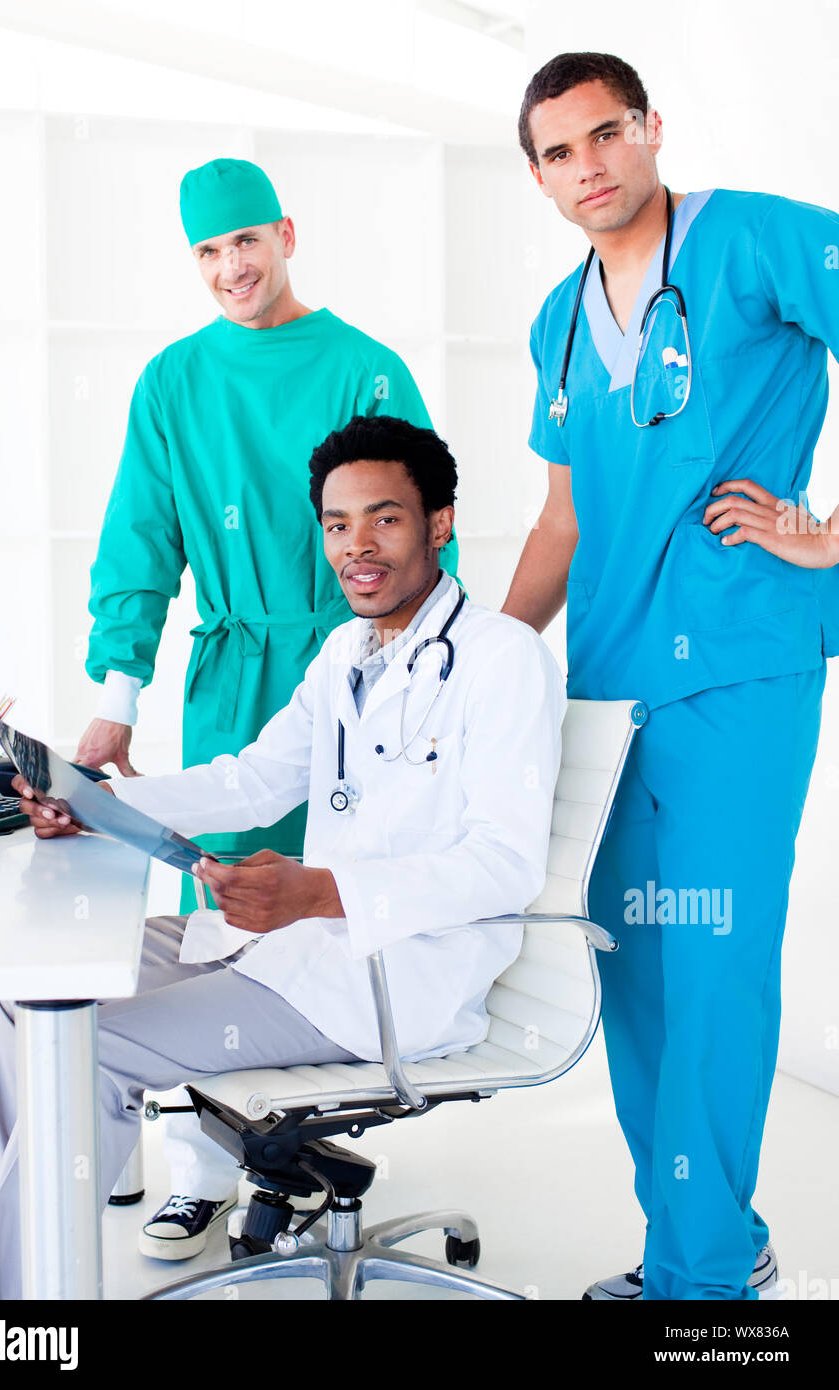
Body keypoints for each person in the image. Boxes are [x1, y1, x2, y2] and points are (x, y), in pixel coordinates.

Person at [0, 414, 564, 1301]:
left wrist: (320, 893)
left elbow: (504, 865)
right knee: (23, 999)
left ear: (440, 524)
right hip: (288, 950)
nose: (357, 546)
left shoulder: (501, 660)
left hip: (389, 983)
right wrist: (96, 803)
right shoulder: (347, 650)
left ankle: (16, 1315)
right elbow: (251, 783)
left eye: (385, 519)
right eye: (337, 524)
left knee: (83, 1049)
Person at [77, 156, 460, 1251]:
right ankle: (199, 1168)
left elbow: (419, 521)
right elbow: (140, 536)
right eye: (207, 250)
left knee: (329, 932)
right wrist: (118, 694)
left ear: (286, 234)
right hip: (238, 684)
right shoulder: (173, 382)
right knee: (212, 923)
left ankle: (279, 1164)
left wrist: (431, 683)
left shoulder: (364, 368)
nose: (230, 265)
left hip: (359, 671)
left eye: (246, 239)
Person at [503, 51, 839, 1301]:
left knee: (712, 964)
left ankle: (704, 1288)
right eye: (558, 152)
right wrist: (469, 649)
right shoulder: (557, 319)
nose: (588, 166)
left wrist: (827, 534)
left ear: (651, 129)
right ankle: (697, 1244)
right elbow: (563, 523)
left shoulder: (749, 240)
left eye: (605, 135)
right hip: (606, 681)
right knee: (631, 969)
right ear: (537, 176)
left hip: (737, 668)